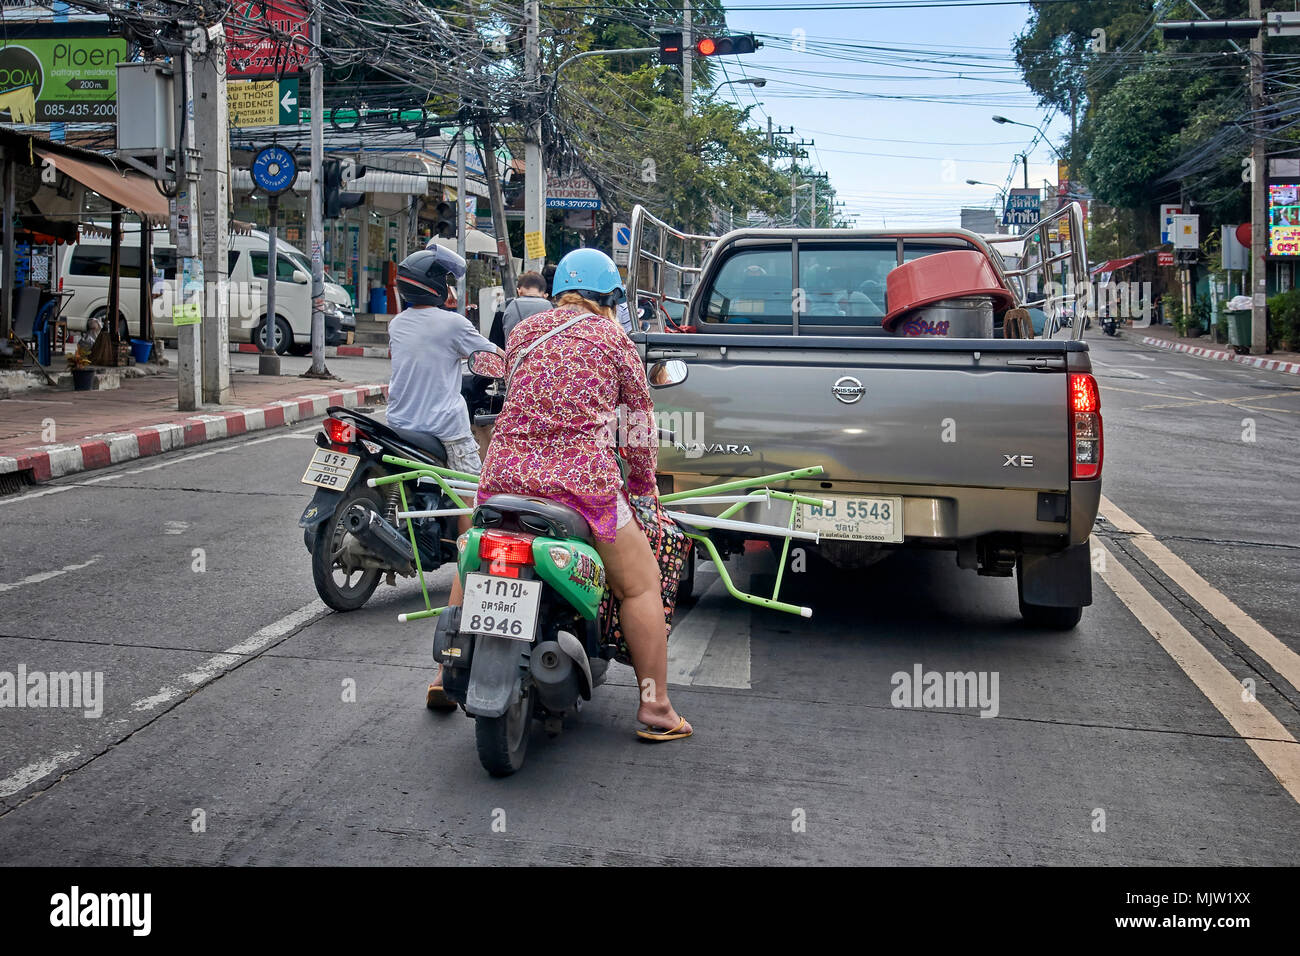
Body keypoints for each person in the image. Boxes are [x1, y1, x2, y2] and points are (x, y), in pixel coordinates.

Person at [466, 248, 692, 742]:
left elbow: (497, 384)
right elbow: (637, 428)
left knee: (473, 553)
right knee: (641, 584)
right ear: (610, 298)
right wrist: (643, 490)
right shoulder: (614, 339)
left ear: (558, 293)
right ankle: (655, 706)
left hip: (503, 476)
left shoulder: (524, 332)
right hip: (583, 488)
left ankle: (444, 674)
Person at [500, 270, 551, 341]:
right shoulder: (551, 308)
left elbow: (496, 342)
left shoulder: (504, 307)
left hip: (514, 351)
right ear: (545, 295)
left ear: (519, 291)